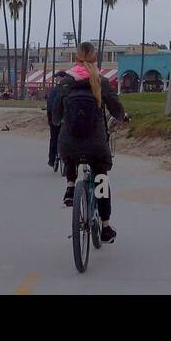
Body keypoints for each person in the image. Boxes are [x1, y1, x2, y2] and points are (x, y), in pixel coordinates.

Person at [49, 43, 128, 244]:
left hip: (69, 142)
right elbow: (116, 107)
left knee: (70, 155)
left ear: (76, 58)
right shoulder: (100, 81)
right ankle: (106, 227)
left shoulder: (65, 82)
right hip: (96, 143)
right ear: (95, 59)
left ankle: (70, 187)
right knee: (101, 179)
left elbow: (56, 115)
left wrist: (59, 121)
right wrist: (121, 116)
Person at [44, 70, 68, 168]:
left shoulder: (55, 90)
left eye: (57, 77)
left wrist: (50, 118)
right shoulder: (69, 89)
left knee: (54, 138)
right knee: (66, 138)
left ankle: (52, 159)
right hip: (66, 118)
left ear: (61, 78)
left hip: (56, 118)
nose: (56, 79)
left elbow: (50, 105)